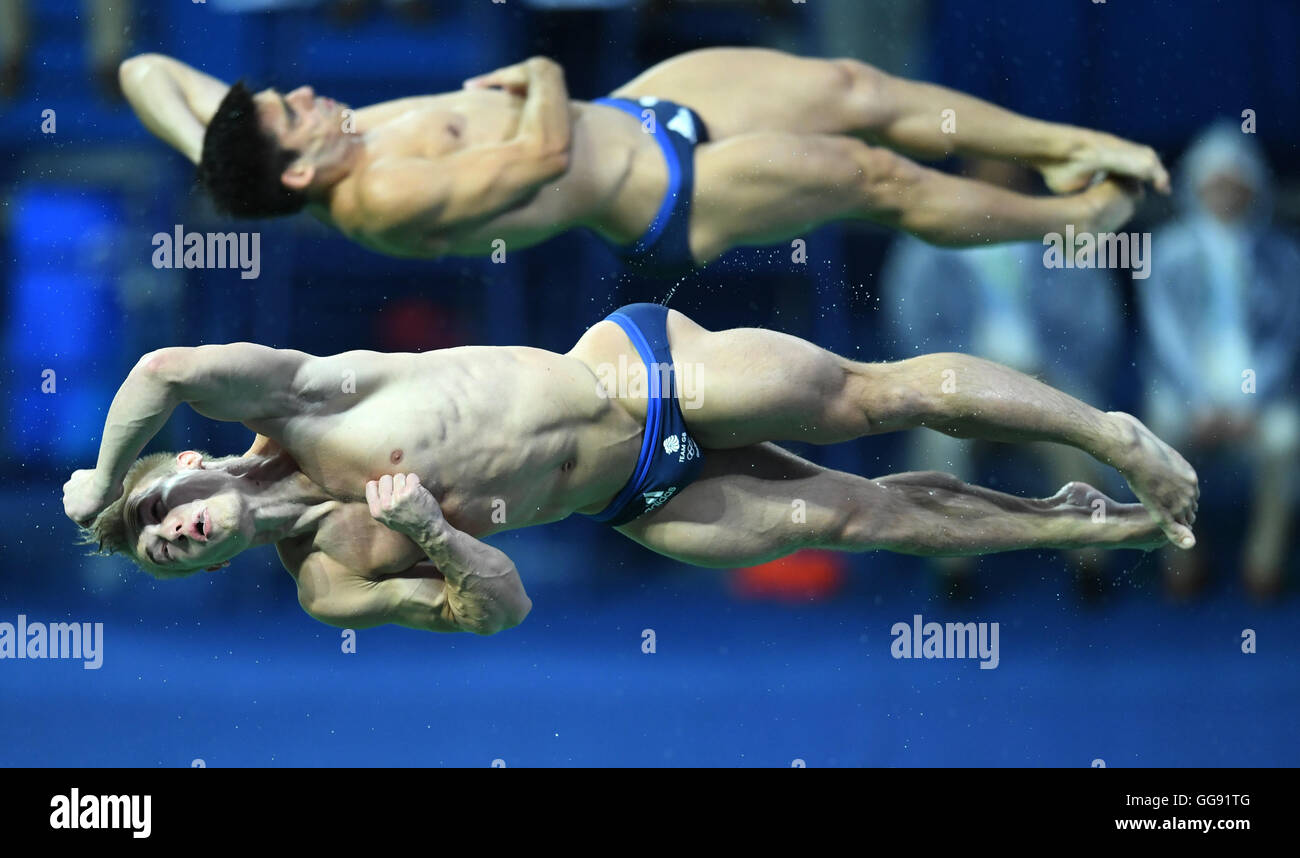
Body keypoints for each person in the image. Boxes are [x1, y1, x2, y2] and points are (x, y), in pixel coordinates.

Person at [63, 304, 1198, 635]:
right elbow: (499, 609)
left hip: (640, 377)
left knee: (872, 396)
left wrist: (98, 474)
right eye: (159, 551)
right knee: (861, 519)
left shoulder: (297, 400)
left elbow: (163, 365)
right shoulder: (328, 580)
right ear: (198, 570)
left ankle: (1106, 432)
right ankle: (1095, 527)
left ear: (190, 463)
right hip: (635, 499)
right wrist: (440, 537)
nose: (165, 530)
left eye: (155, 506)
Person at [118, 47, 1168, 273]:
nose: (307, 93)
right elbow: (540, 157)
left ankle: (1073, 146)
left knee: (856, 85)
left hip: (642, 106)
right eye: (290, 113)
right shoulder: (383, 193)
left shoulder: (286, 155)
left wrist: (211, 150)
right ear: (301, 175)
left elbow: (142, 68)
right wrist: (538, 73)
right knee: (873, 178)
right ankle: (1063, 224)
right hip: (667, 188)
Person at [881, 159, 1124, 596]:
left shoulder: (1062, 241)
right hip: (957, 385)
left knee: (1073, 433)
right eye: (985, 178)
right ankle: (954, 571)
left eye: (1008, 180)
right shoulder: (927, 242)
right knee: (943, 444)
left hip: (1046, 379)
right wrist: (963, 375)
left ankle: (1090, 564)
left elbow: (1096, 326)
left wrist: (1049, 375)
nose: (995, 189)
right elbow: (910, 327)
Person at [1136, 121, 1300, 598]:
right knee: (1155, 440)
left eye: (1235, 184)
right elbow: (1165, 336)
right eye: (1215, 184)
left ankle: (1263, 562)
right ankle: (1183, 559)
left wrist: (1251, 398)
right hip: (1188, 390)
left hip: (1259, 392)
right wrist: (1200, 400)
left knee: (1287, 437)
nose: (1225, 195)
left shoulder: (1284, 257)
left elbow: (1287, 338)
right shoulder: (1168, 253)